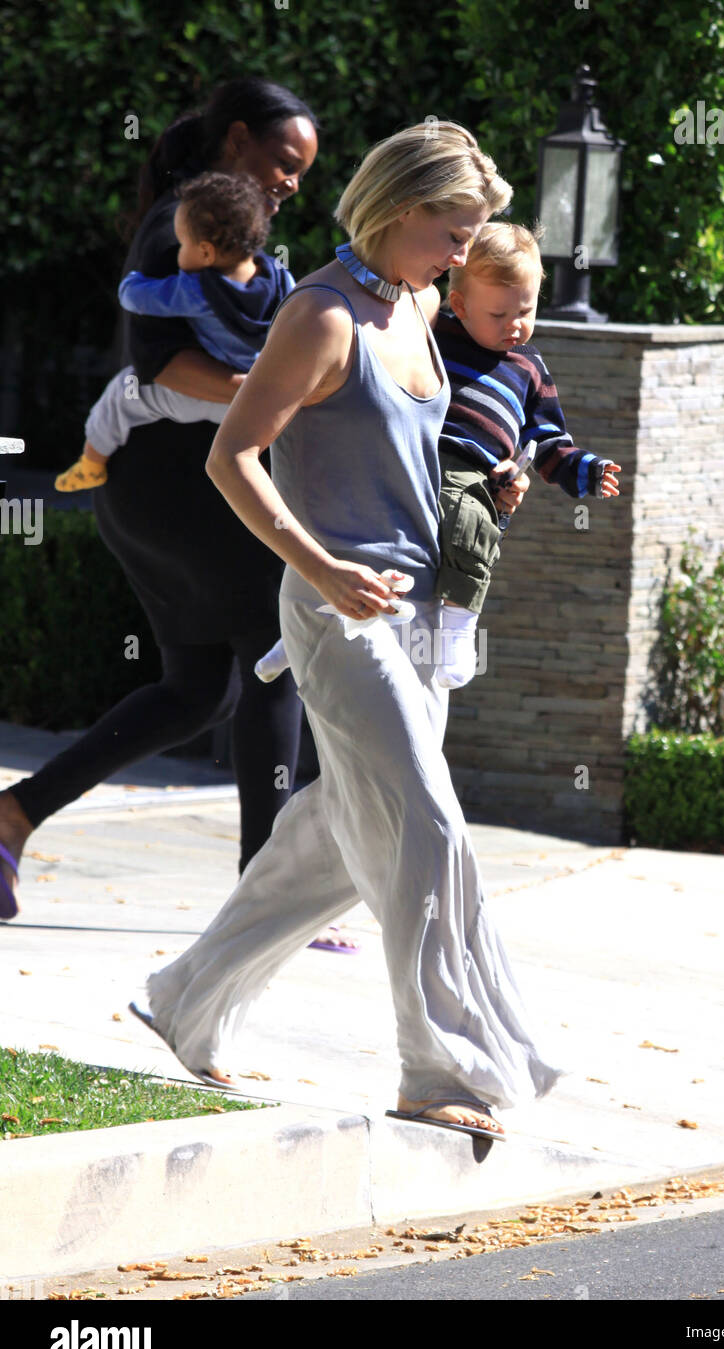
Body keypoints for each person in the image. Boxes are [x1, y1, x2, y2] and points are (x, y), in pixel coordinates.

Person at [130, 121, 566, 1140]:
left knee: (331, 834)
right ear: (397, 209)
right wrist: (320, 567)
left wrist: (480, 491)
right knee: (423, 822)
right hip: (336, 609)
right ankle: (434, 1064)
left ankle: (185, 996)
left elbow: (404, 451)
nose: (465, 252)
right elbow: (232, 456)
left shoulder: (412, 301)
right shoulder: (322, 316)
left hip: (417, 610)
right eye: (453, 229)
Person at [0, 78, 342, 945]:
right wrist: (270, 395)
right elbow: (159, 368)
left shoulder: (226, 231)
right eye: (280, 161)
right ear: (236, 141)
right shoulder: (183, 227)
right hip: (183, 486)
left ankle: (13, 815)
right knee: (274, 663)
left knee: (199, 690)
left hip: (162, 489)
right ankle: (265, 900)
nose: (292, 181)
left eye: (302, 170)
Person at [431, 220, 622, 686]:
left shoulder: (529, 368)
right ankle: (316, 621)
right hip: (418, 450)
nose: (514, 326)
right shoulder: (434, 332)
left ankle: (457, 626)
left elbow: (550, 441)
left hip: (476, 474)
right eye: (498, 316)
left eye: (526, 311)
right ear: (460, 304)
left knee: (469, 525)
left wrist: (585, 470)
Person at [54, 171, 294, 493]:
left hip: (213, 397)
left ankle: (91, 464)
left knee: (122, 393)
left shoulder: (197, 291)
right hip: (266, 403)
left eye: (183, 243)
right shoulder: (282, 280)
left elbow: (133, 297)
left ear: (206, 253)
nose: (178, 250)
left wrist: (136, 276)